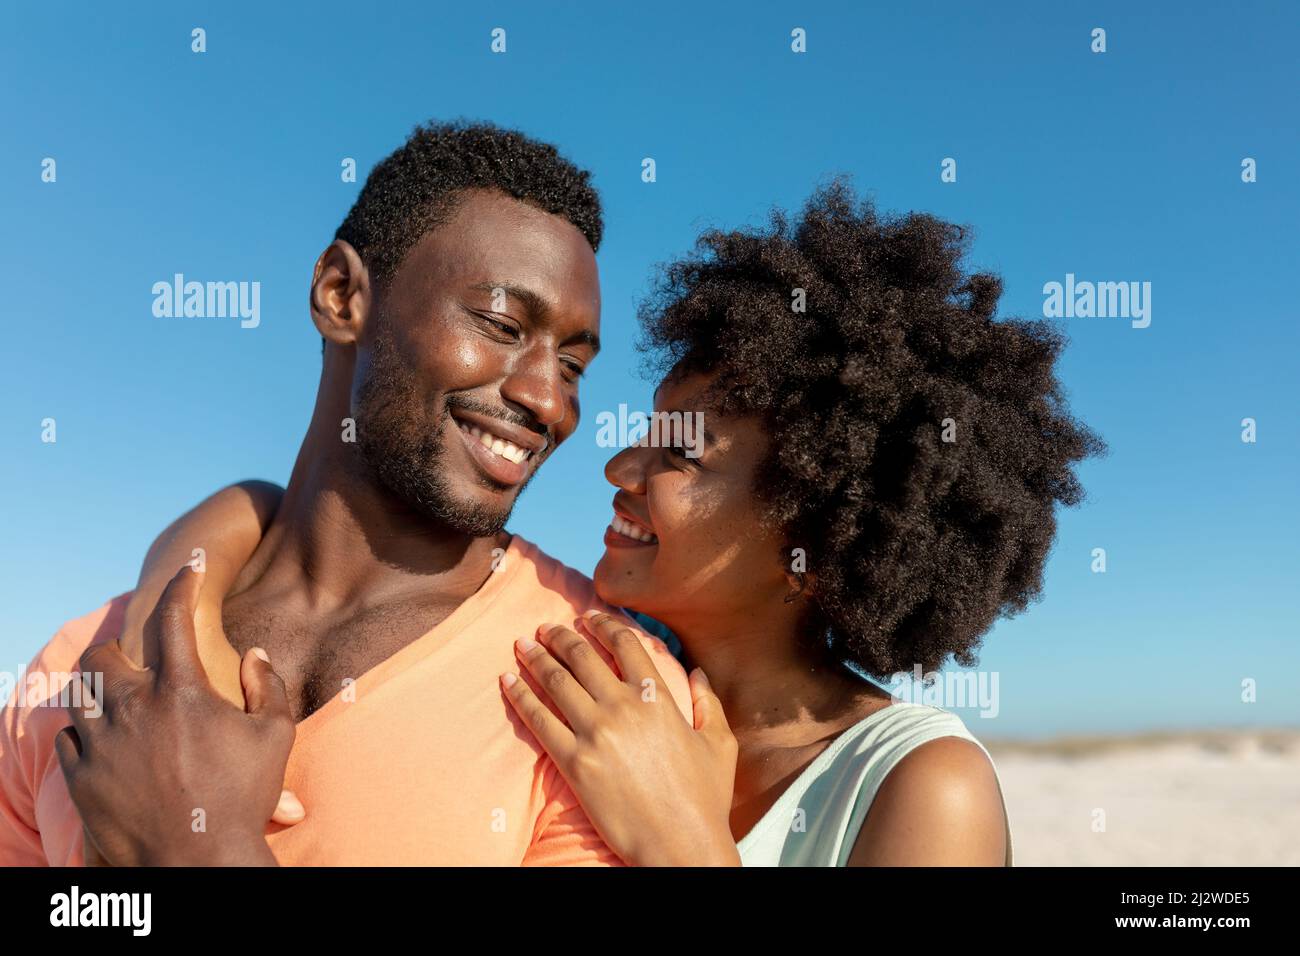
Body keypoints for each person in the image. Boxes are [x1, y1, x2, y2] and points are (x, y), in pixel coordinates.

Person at [60, 182, 1101, 865]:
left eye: (679, 454)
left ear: (816, 543)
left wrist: (684, 843)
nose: (612, 461)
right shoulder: (598, 671)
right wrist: (194, 564)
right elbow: (291, 523)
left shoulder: (923, 785)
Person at [0, 120, 696, 867]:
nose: (549, 401)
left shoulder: (599, 695)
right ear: (341, 295)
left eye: (572, 368)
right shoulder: (86, 667)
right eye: (499, 324)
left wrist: (193, 848)